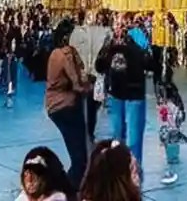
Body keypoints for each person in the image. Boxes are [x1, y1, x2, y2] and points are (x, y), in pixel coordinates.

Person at [94, 17, 150, 176]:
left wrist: (128, 47)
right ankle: (121, 172)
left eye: (122, 26)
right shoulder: (110, 45)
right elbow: (99, 66)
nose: (119, 30)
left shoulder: (137, 40)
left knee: (134, 138)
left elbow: (147, 62)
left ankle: (134, 174)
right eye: (117, 26)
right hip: (116, 94)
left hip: (134, 94)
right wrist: (108, 49)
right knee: (118, 136)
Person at [45, 19, 90, 189]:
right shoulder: (65, 54)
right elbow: (78, 83)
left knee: (79, 154)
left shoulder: (56, 53)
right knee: (80, 158)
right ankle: (68, 190)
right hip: (64, 107)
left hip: (56, 106)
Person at [69, 10, 111, 138]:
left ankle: (88, 129)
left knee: (91, 103)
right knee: (87, 103)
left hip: (93, 74)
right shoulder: (81, 34)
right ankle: (87, 129)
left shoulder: (102, 34)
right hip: (87, 73)